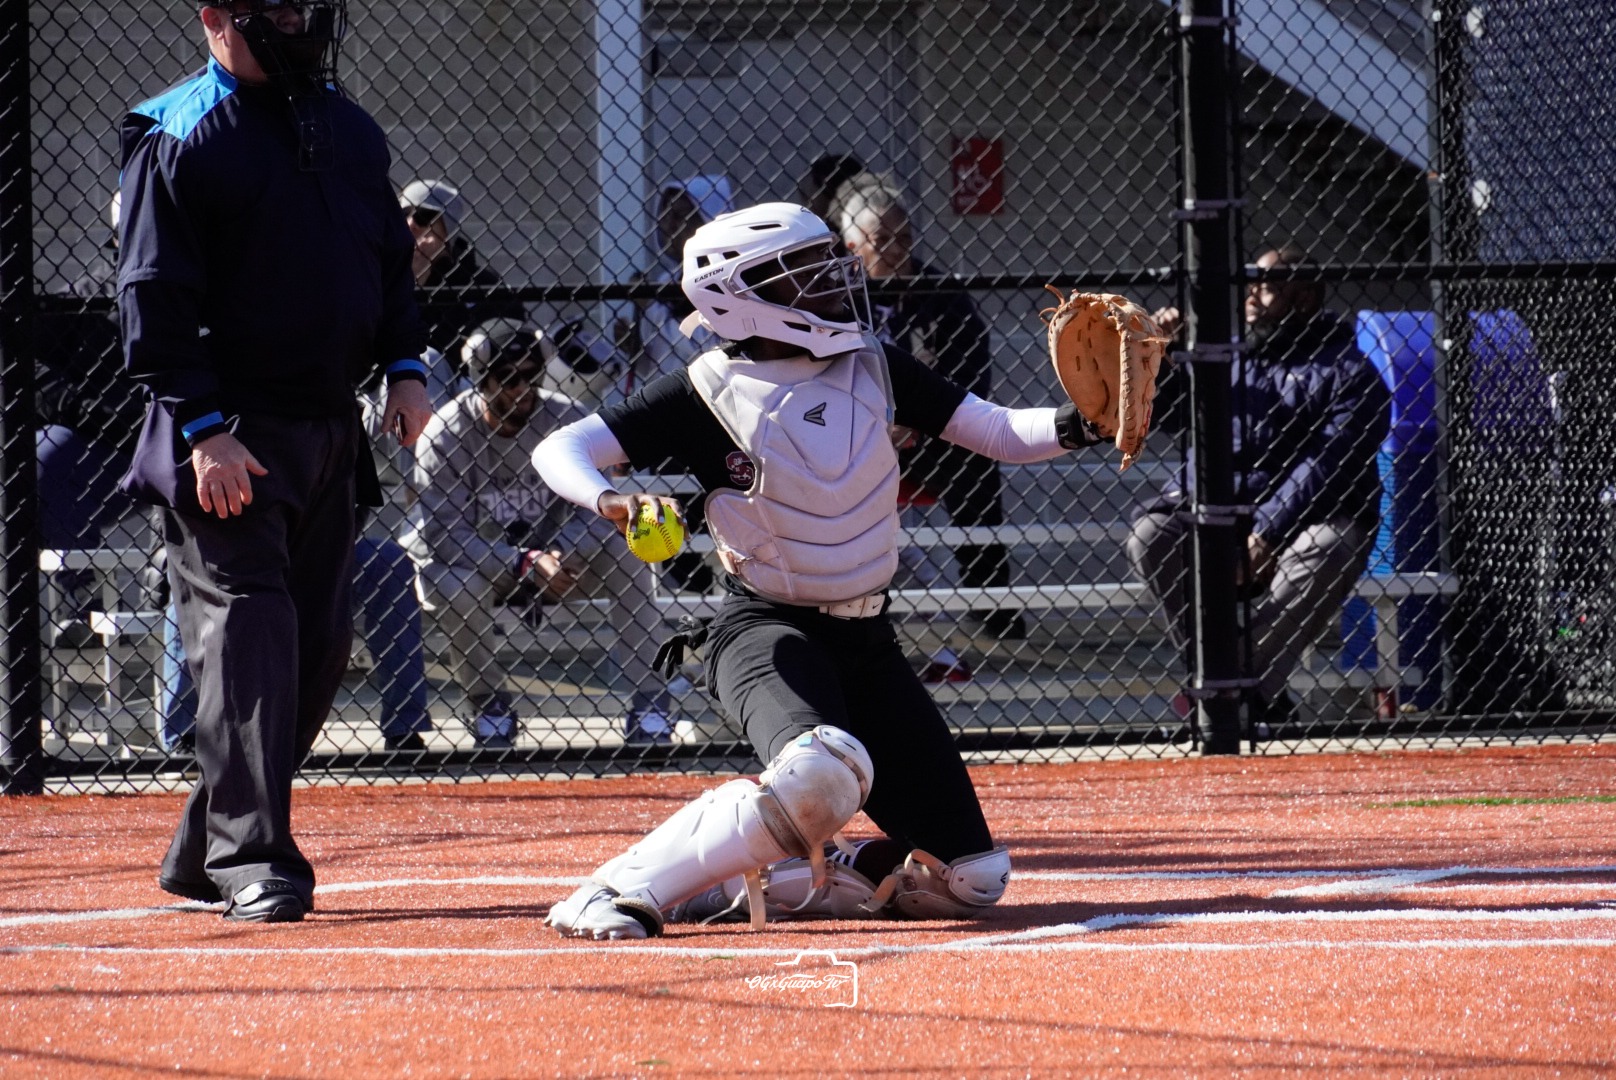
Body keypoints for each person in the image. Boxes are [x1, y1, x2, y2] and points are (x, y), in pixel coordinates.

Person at [534, 202, 1104, 938]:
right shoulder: (704, 387)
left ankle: (787, 876)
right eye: (803, 273)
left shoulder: (872, 360)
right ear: (738, 294)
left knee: (970, 880)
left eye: (830, 264)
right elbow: (560, 450)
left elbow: (995, 431)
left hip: (869, 638)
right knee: (820, 772)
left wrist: (1087, 423)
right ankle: (616, 889)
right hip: (767, 631)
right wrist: (610, 497)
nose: (835, 280)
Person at [116, 0, 431, 923]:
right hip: (228, 434)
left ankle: (199, 851)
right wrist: (206, 430)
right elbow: (151, 302)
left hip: (332, 428)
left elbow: (388, 262)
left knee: (318, 649)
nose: (299, 26)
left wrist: (406, 368)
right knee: (250, 635)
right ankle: (257, 860)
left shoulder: (348, 125)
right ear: (216, 17)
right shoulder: (173, 134)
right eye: (276, 11)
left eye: (308, 8)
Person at [1126, 245, 1391, 732]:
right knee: (1150, 534)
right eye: (1248, 281)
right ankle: (1248, 692)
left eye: (1265, 284)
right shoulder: (1222, 353)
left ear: (1305, 297)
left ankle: (1227, 690)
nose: (1250, 292)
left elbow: (1327, 464)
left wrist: (1267, 533)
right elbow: (1165, 419)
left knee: (1331, 547)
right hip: (1216, 508)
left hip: (1302, 519)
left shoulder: (1350, 371)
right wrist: (1159, 358)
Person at [404, 318, 673, 746]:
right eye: (507, 379)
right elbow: (445, 536)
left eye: (530, 376)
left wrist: (559, 552)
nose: (521, 389)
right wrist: (523, 561)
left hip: (556, 562)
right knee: (452, 583)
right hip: (479, 567)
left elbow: (598, 503)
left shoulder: (567, 419)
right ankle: (489, 705)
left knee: (625, 548)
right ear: (481, 380)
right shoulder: (445, 434)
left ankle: (651, 702)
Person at [830, 172, 1024, 641]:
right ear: (854, 246)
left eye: (906, 236)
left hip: (929, 437)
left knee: (977, 464)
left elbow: (970, 369)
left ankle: (990, 602)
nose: (898, 248)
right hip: (848, 435)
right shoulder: (833, 300)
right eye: (883, 239)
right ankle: (843, 604)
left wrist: (920, 419)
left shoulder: (942, 294)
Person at [34, 190, 145, 645]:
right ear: (117, 240)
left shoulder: (209, 290)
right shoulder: (88, 294)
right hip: (107, 444)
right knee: (42, 460)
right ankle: (82, 606)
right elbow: (29, 365)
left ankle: (168, 591)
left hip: (189, 436)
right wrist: (86, 409)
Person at [400, 177, 524, 382]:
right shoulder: (379, 278)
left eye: (423, 216)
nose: (411, 224)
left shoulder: (480, 285)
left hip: (460, 388)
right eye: (404, 214)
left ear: (447, 231)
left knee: (426, 360)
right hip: (388, 389)